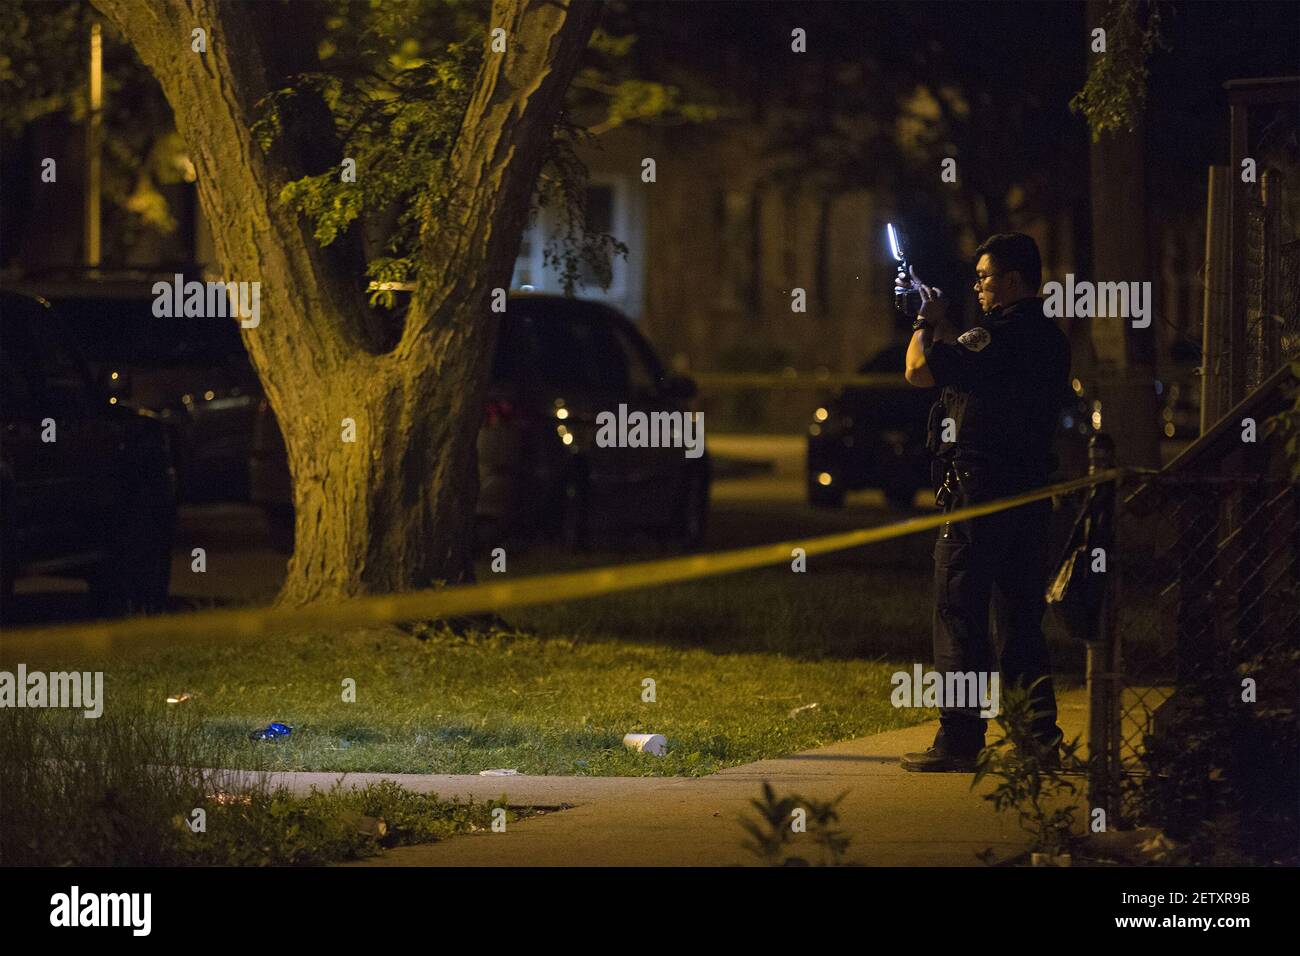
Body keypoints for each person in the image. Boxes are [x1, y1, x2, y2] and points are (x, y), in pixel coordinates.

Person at [898, 233, 1070, 772]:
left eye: (987, 276)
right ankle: (1037, 737)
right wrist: (946, 324)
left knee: (960, 613)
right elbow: (972, 363)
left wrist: (925, 320)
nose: (979, 284)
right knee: (1020, 619)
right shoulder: (1047, 337)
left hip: (977, 497)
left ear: (1014, 279)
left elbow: (919, 370)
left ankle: (959, 740)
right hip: (1029, 496)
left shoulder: (997, 336)